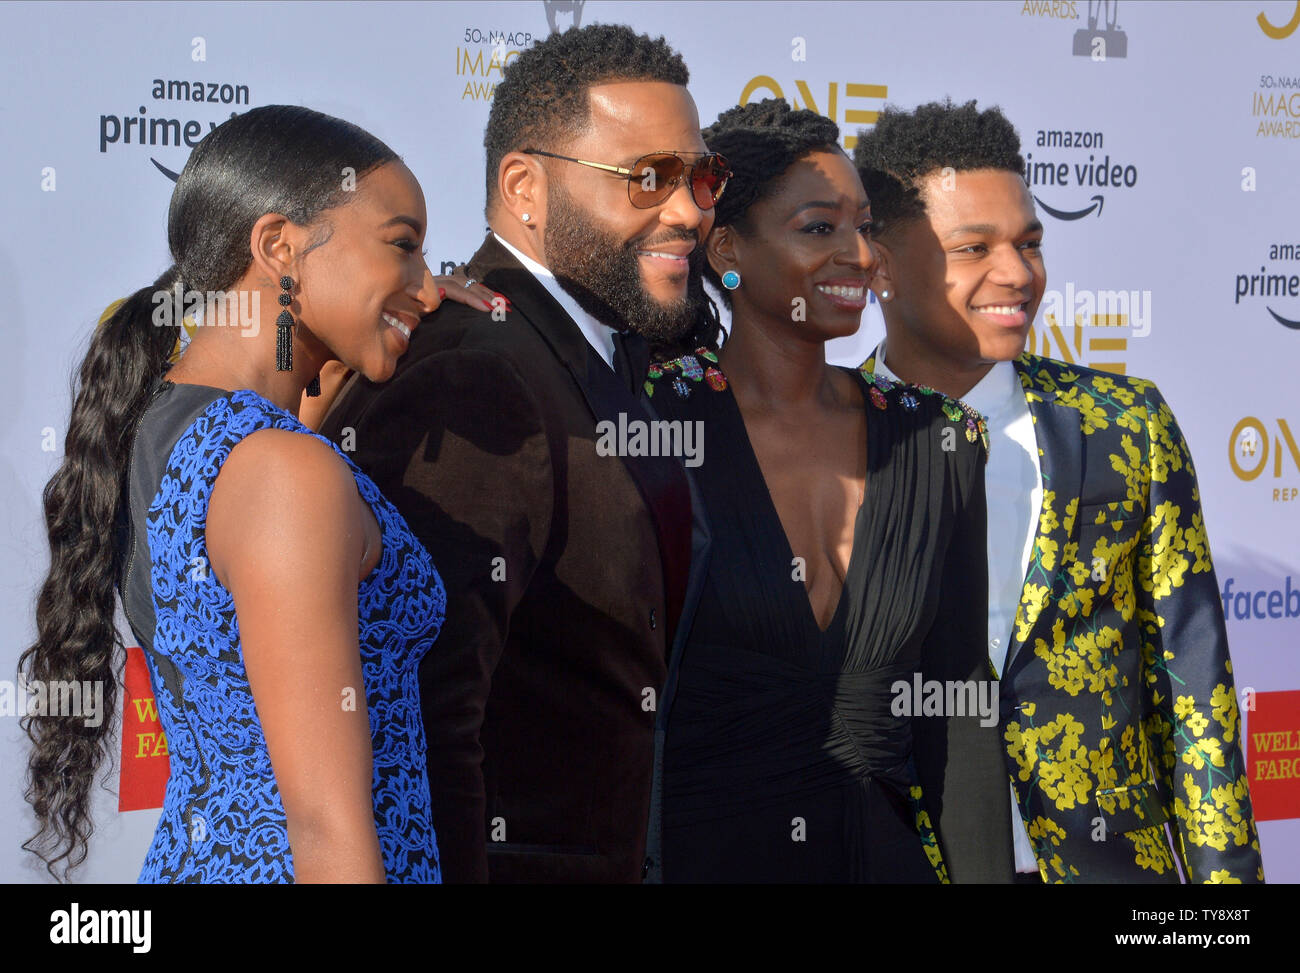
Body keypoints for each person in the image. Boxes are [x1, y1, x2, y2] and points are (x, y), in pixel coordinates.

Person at [20, 105, 478, 883]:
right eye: (403, 246)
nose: (430, 289)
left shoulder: (180, 429)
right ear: (278, 247)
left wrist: (366, 333)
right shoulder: (282, 472)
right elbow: (324, 828)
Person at [320, 24, 721, 883]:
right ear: (524, 187)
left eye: (702, 178)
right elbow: (421, 712)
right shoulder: (475, 369)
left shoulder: (599, 347)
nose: (689, 211)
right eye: (648, 178)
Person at [855, 99, 1264, 883]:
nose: (1017, 274)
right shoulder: (827, 436)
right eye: (974, 248)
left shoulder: (1126, 424)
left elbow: (1195, 695)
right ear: (880, 264)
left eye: (1030, 243)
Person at [647, 99, 1013, 883]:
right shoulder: (652, 422)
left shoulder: (937, 437)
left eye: (865, 228)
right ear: (727, 248)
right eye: (819, 228)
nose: (859, 254)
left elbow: (957, 707)